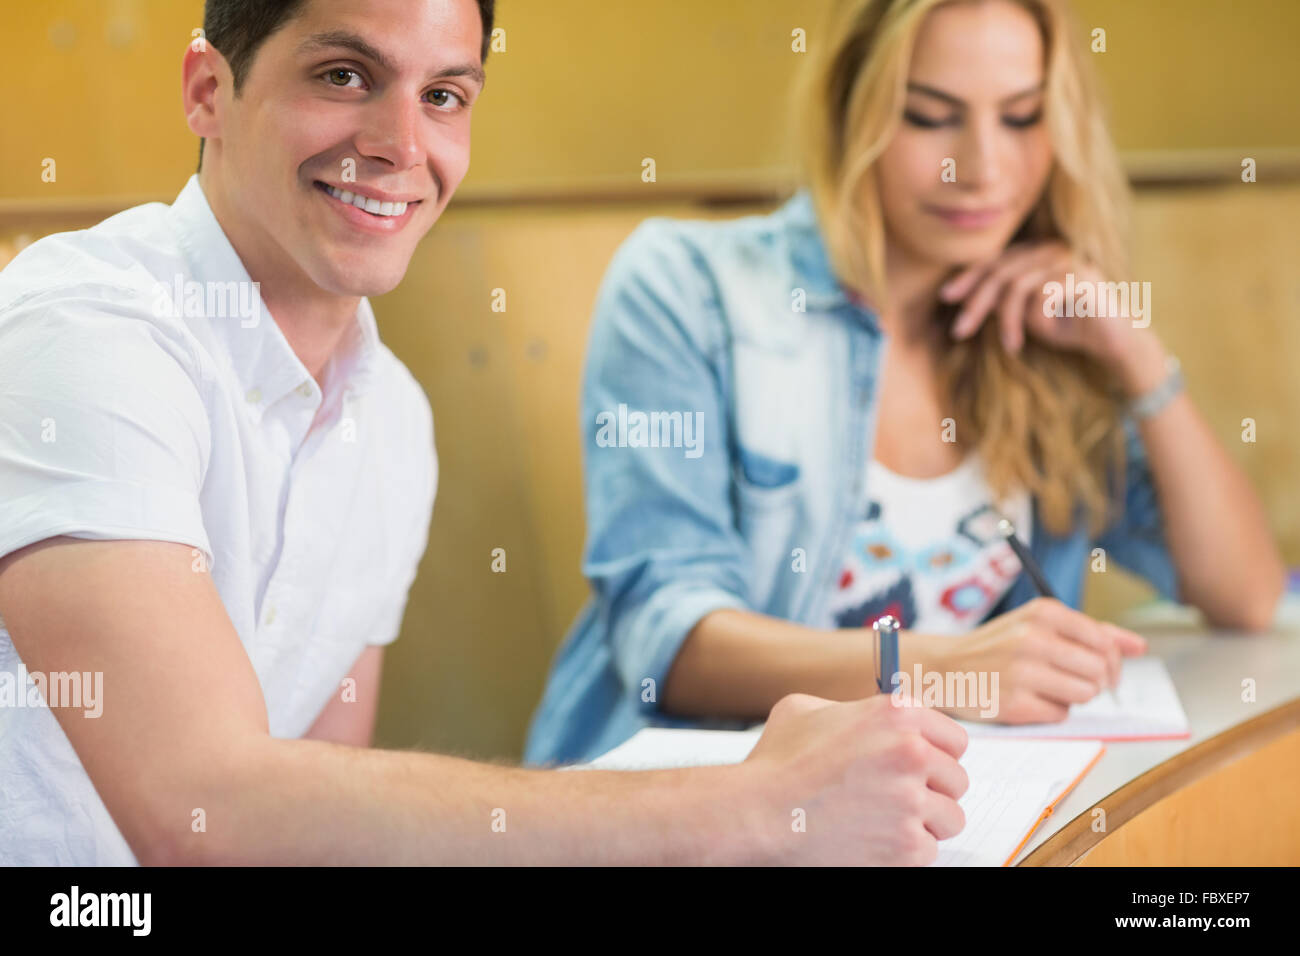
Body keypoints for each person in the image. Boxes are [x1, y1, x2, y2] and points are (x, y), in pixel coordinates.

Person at [0, 0, 970, 866]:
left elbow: (318, 820)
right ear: (208, 88)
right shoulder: (83, 331)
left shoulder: (392, 419)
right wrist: (751, 806)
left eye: (445, 95)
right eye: (344, 76)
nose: (399, 143)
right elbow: (207, 808)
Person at [524, 0, 1285, 766]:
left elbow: (1246, 596)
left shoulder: (1042, 340)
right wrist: (937, 671)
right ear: (850, 111)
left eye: (1021, 117)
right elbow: (669, 640)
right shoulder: (687, 288)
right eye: (928, 117)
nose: (982, 166)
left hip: (937, 820)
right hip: (692, 810)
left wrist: (1136, 356)